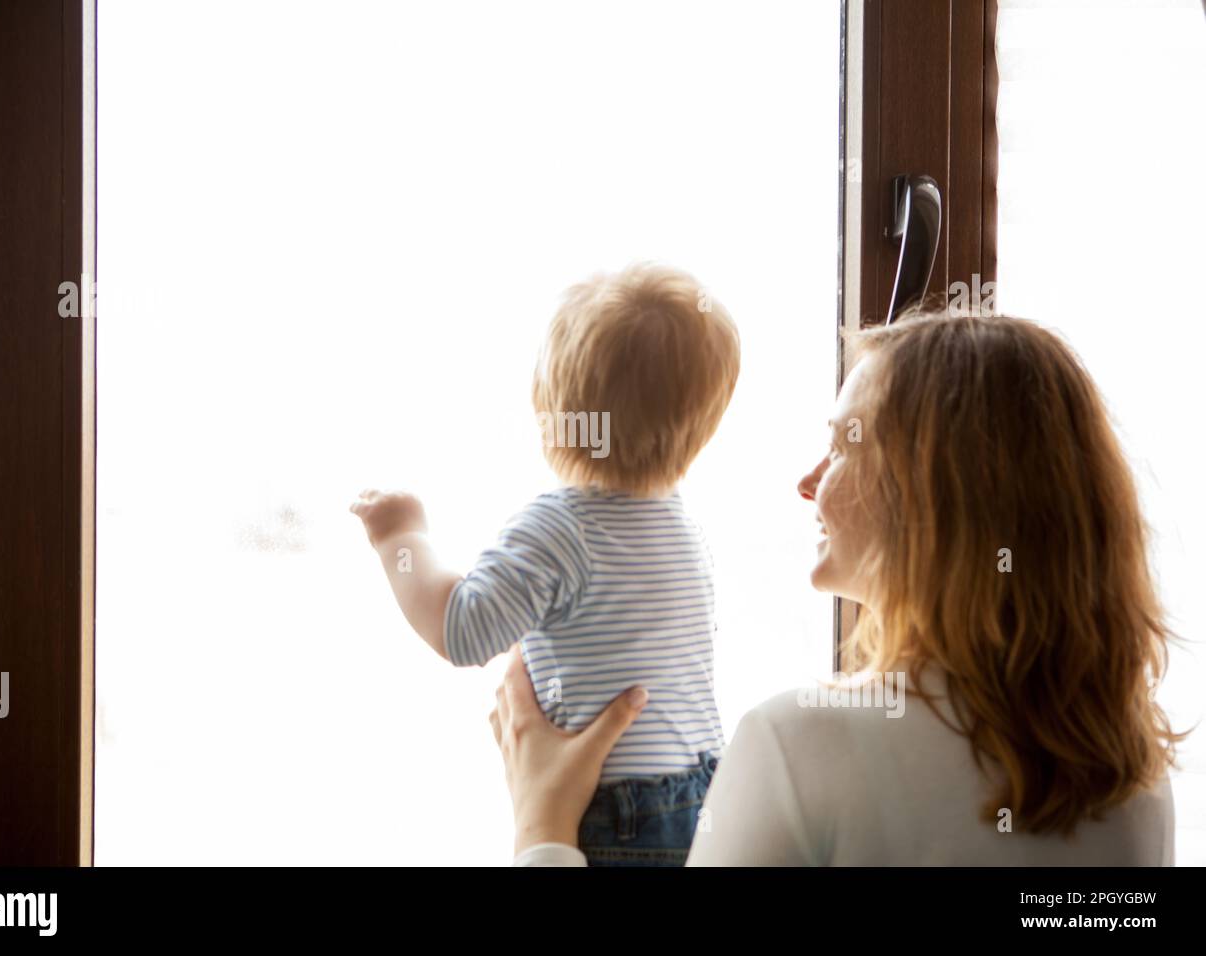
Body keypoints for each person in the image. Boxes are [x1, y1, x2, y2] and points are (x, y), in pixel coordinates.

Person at [492, 311, 1181, 866]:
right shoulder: (1133, 776)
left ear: (934, 495)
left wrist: (543, 828)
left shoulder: (797, 744)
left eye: (846, 444)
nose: (808, 480)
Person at [352, 264, 741, 864]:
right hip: (708, 793)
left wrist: (400, 539)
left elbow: (462, 629)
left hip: (619, 806)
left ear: (551, 411)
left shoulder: (565, 525)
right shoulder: (685, 532)